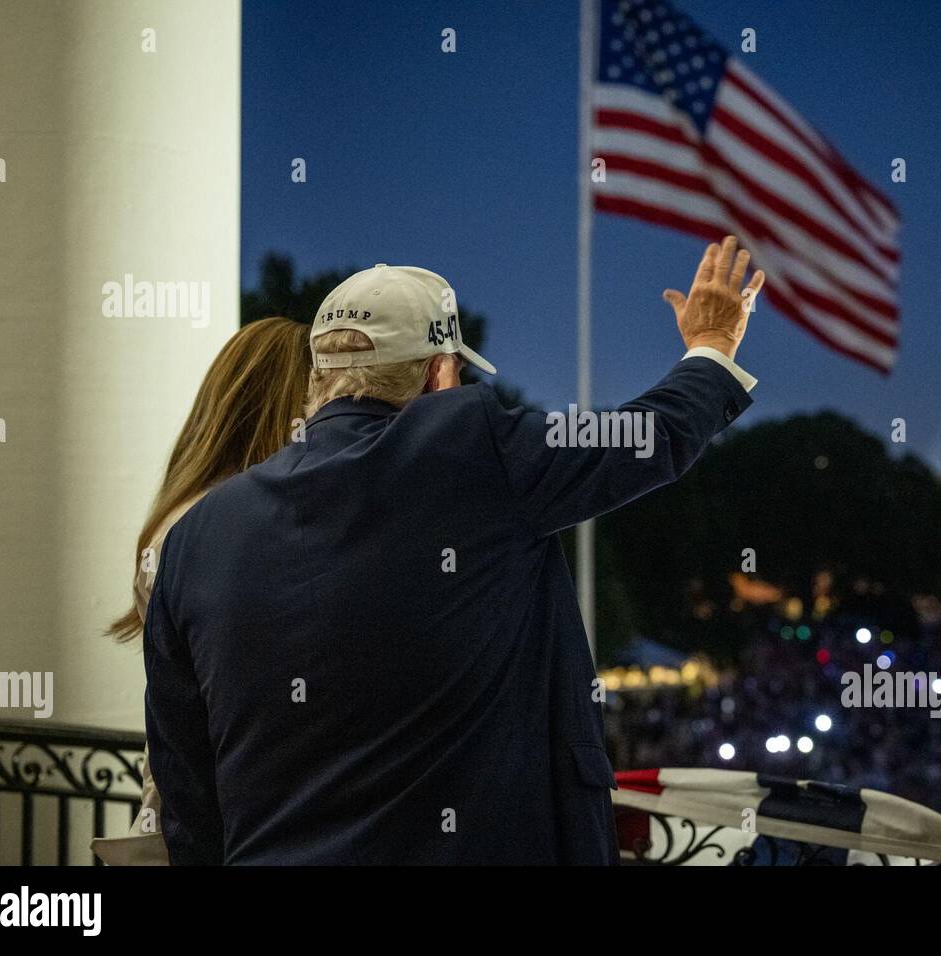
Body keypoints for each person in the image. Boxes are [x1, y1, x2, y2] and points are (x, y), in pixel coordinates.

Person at [145, 238, 764, 864]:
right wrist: (712, 345)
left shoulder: (197, 536)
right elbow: (647, 435)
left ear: (319, 380)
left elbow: (185, 784)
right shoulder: (471, 445)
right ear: (440, 371)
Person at [92, 317, 312, 865]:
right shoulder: (220, 530)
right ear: (286, 405)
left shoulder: (180, 521)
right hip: (216, 827)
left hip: (185, 815)